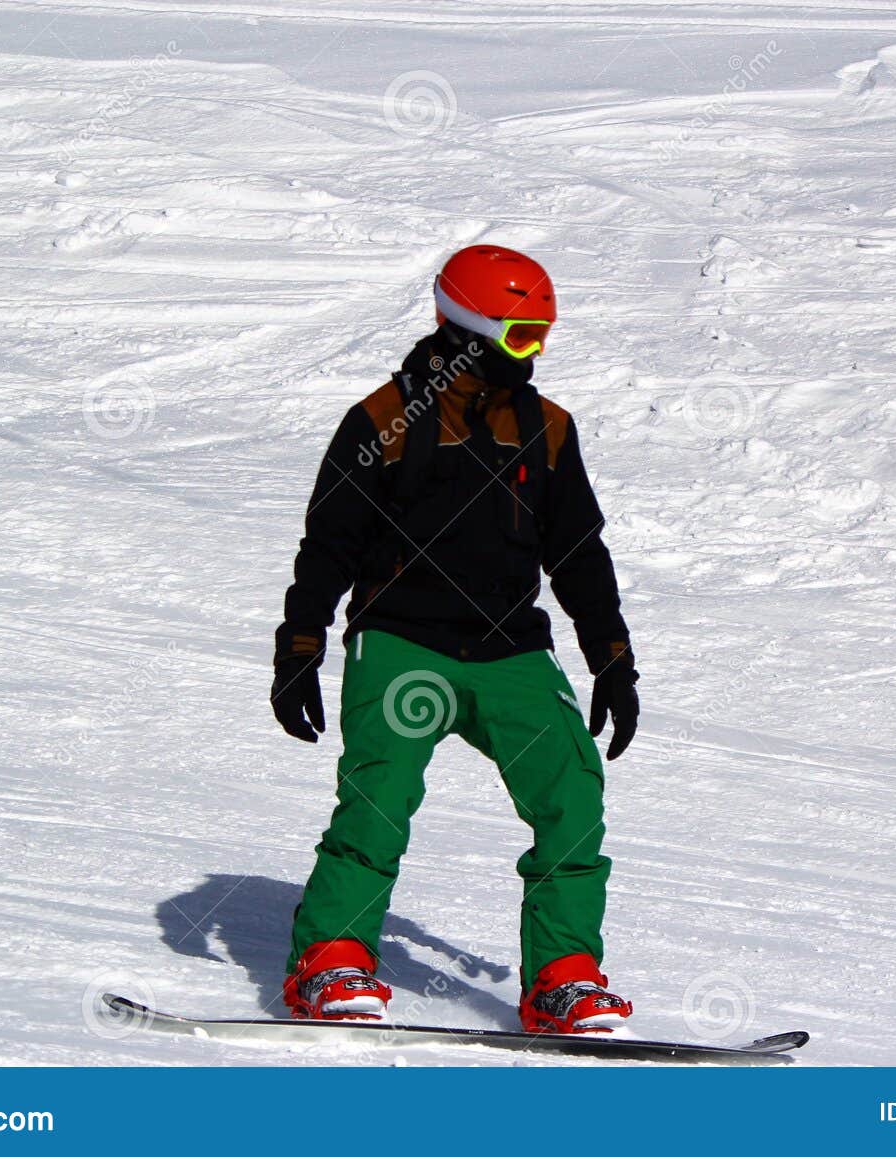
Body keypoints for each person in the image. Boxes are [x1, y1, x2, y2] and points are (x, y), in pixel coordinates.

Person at [269, 245, 640, 1034]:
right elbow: (328, 543)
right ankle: (330, 956)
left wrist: (611, 658)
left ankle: (563, 977)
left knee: (572, 793)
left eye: (542, 337)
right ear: (469, 328)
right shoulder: (383, 421)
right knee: (380, 795)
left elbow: (578, 552)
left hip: (509, 651)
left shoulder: (547, 429)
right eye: (519, 338)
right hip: (405, 644)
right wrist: (301, 644)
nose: (533, 355)